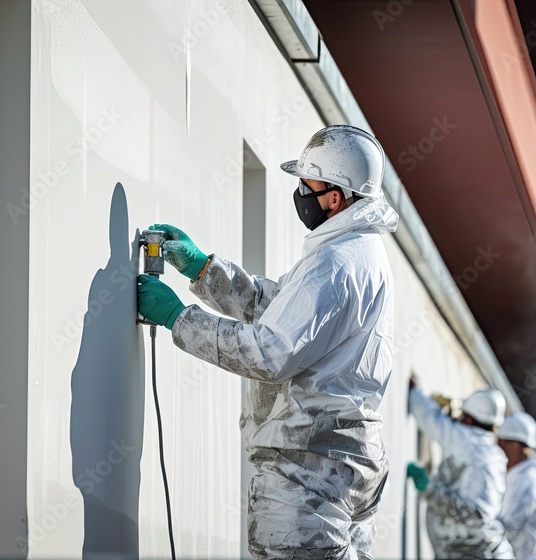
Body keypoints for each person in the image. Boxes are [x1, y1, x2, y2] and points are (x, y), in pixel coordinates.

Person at [136, 125, 399, 559]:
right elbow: (283, 309)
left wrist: (179, 318)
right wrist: (205, 271)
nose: (299, 192)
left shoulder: (335, 263)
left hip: (308, 469)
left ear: (335, 198)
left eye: (307, 185)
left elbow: (270, 352)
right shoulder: (357, 250)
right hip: (345, 465)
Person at [406, 377, 515, 559]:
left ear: (470, 420)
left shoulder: (465, 439)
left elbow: (430, 419)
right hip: (492, 551)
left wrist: (416, 391)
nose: (458, 419)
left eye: (462, 414)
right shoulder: (494, 454)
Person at [497, 412, 536, 560]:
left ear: (515, 445)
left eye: (501, 444)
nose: (497, 450)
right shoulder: (521, 478)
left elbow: (508, 528)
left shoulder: (528, 482)